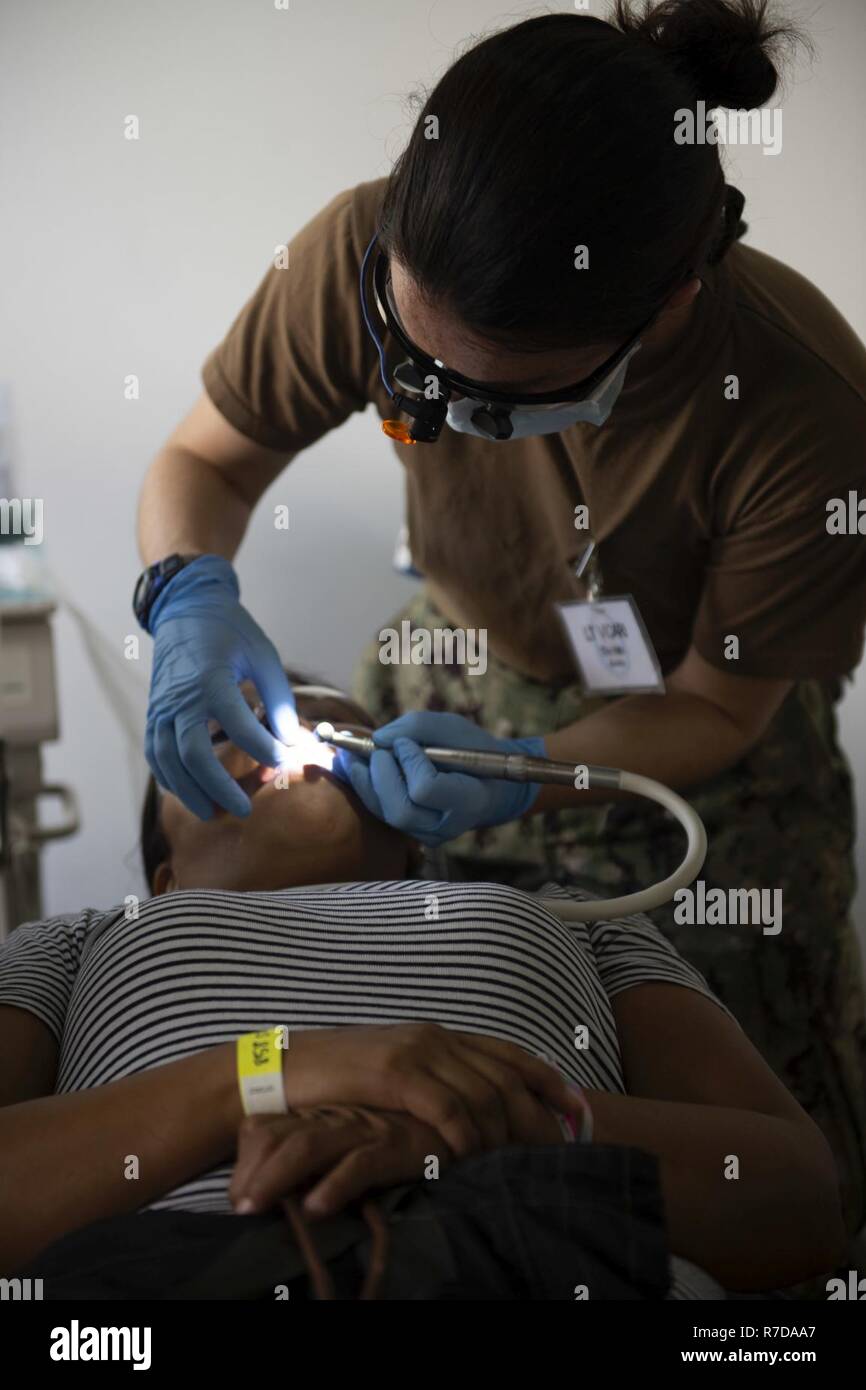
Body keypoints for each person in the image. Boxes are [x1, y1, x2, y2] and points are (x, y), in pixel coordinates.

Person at [133, 2, 866, 1233]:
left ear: (669, 297)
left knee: (741, 1119)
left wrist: (532, 774)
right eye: (406, 358)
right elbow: (206, 461)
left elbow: (707, 706)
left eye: (492, 390)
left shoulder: (803, 410)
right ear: (155, 880)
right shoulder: (360, 245)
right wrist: (187, 596)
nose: (428, 402)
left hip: (693, 747)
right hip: (453, 672)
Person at [0, 683, 845, 1296]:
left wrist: (504, 1125)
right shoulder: (75, 940)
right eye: (225, 731)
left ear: (415, 841)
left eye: (330, 719)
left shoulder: (580, 920)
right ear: (165, 876)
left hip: (535, 1248)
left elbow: (800, 1200)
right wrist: (268, 1072)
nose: (279, 727)